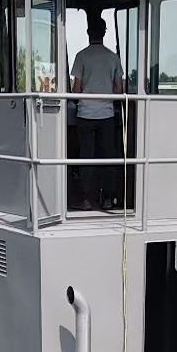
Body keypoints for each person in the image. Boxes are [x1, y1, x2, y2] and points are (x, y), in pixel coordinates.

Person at [69, 16, 124, 211]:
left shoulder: (81, 56)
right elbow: (118, 89)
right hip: (107, 115)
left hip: (85, 115)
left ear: (88, 33)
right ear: (105, 32)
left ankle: (86, 200)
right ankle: (108, 198)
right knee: (107, 157)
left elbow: (76, 89)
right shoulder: (113, 58)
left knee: (87, 158)